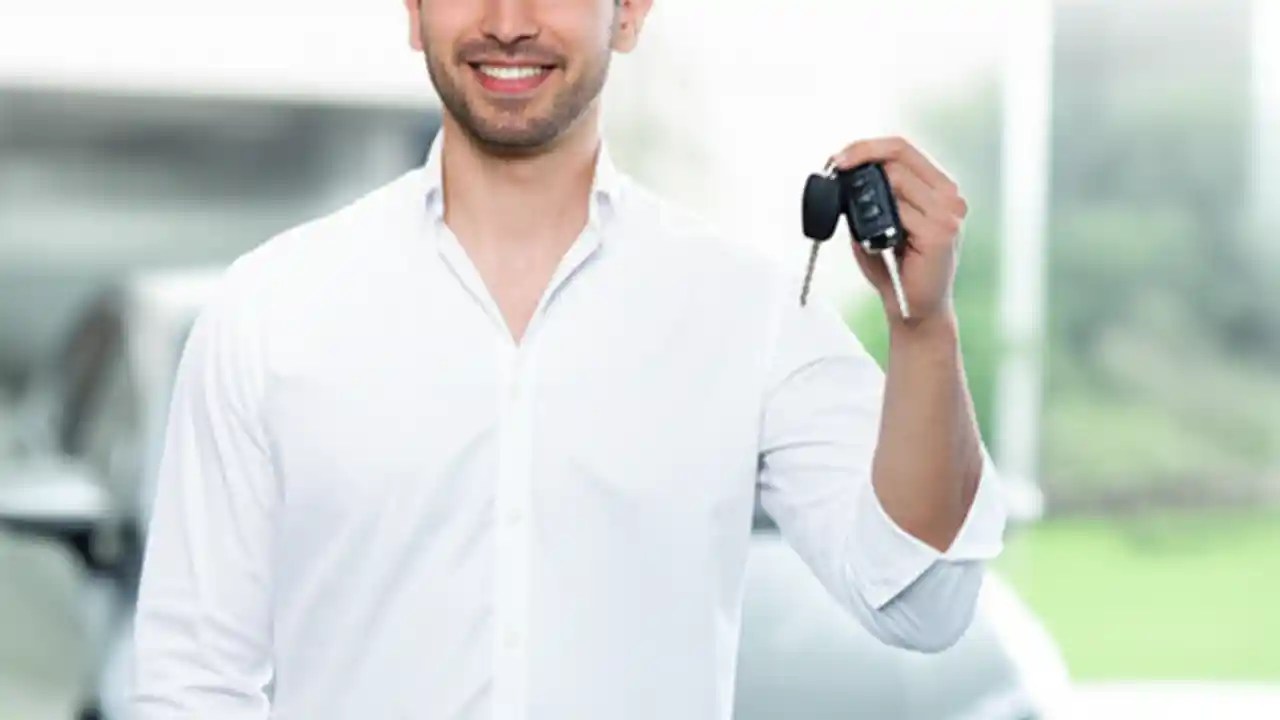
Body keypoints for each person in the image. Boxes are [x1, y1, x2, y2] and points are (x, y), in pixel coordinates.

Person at [131, 1, 1008, 718]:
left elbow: (922, 601)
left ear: (628, 14)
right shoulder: (268, 310)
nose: (507, 21)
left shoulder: (748, 311)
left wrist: (922, 330)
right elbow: (192, 684)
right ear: (413, 11)